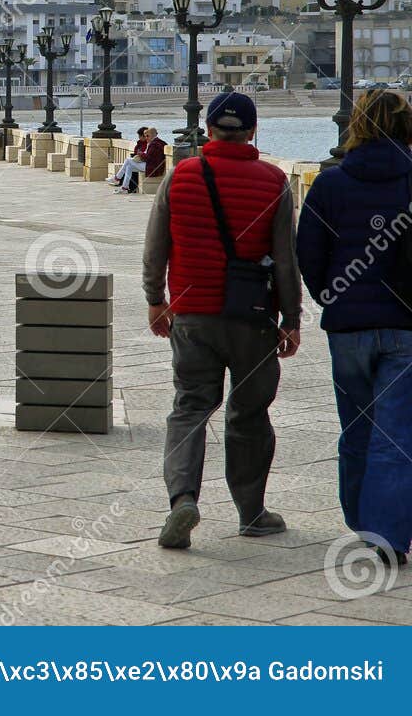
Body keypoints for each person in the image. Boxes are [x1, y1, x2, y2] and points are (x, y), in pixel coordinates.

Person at [143, 90, 301, 550]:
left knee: (190, 407)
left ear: (208, 130)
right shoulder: (274, 182)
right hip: (252, 318)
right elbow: (286, 260)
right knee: (249, 414)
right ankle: (251, 513)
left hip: (192, 313)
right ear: (253, 132)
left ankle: (182, 501)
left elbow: (156, 247)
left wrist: (156, 300)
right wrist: (291, 319)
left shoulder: (183, 175)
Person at [297, 89, 412, 567]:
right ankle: (386, 533)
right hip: (406, 325)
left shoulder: (330, 183)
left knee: (358, 427)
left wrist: (332, 296)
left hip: (347, 327)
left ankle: (362, 522)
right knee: (397, 432)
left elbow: (309, 251)